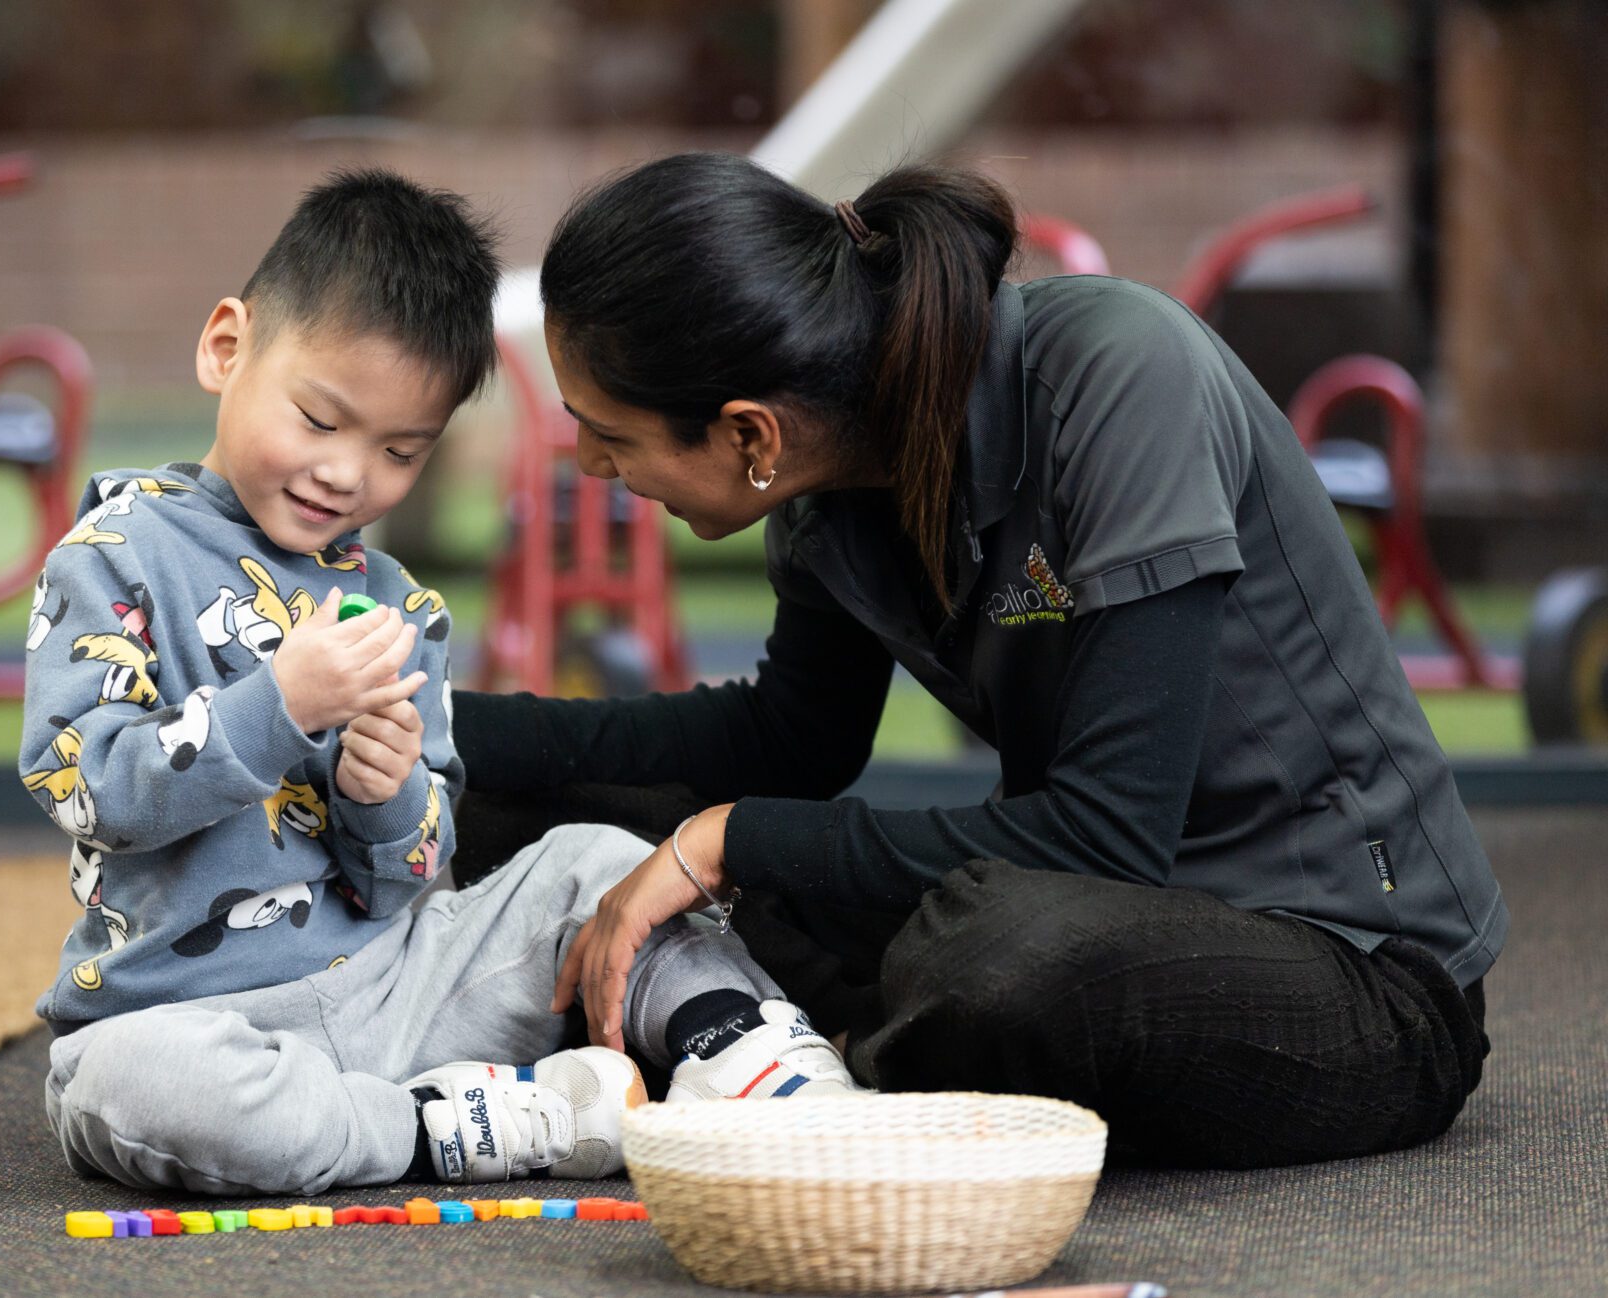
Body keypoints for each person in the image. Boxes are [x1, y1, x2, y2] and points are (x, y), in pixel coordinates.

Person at [452, 152, 1504, 1170]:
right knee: (553, 811)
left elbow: (1106, 834)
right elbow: (785, 741)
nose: (589, 464)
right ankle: (783, 1049)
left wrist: (729, 839)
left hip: (1350, 968)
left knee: (991, 959)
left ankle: (767, 1053)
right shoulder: (826, 486)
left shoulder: (1119, 375)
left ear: (748, 434)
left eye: (607, 433)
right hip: (1074, 911)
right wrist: (443, 728)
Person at [20, 169, 856, 1198]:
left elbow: (413, 874)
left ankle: (756, 1063)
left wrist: (384, 800)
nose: (345, 473)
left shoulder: (394, 606)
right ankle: (444, 1126)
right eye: (319, 419)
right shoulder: (113, 557)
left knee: (589, 861)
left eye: (398, 451)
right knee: (125, 1083)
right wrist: (274, 707)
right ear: (226, 349)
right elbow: (83, 786)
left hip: (401, 990)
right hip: (190, 1015)